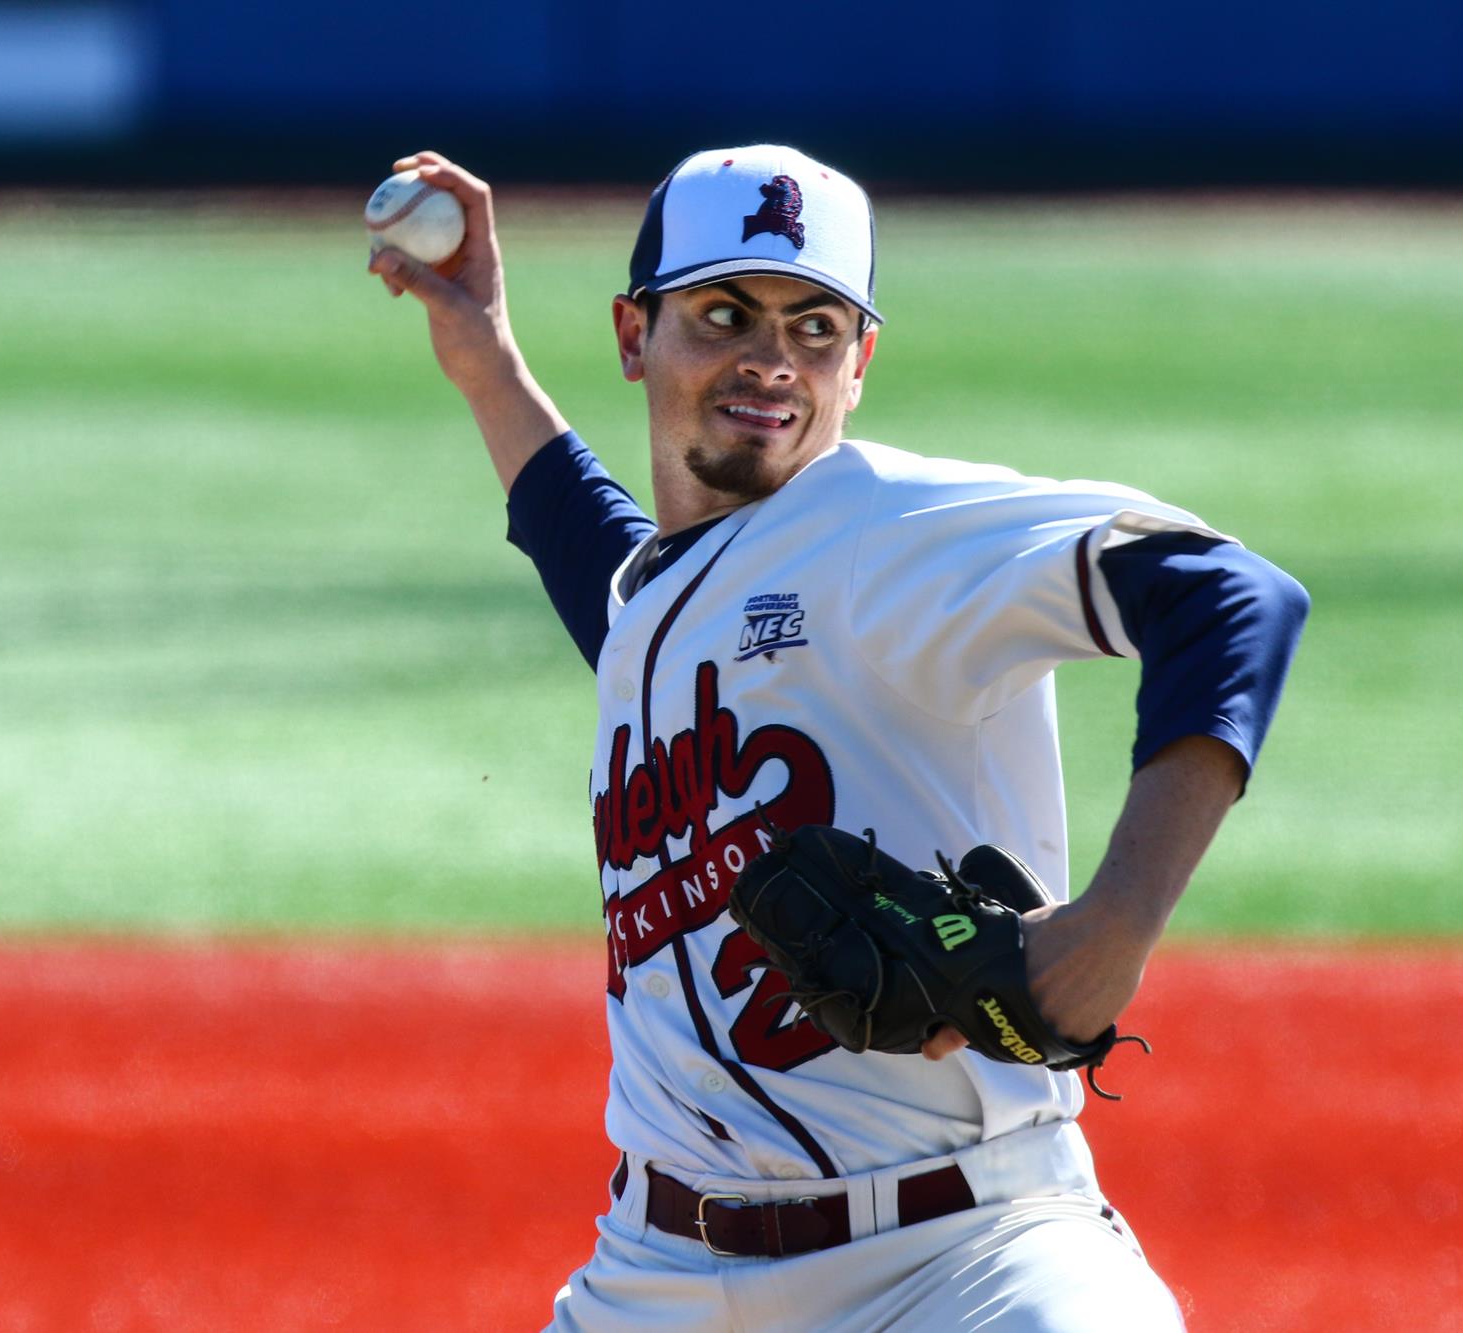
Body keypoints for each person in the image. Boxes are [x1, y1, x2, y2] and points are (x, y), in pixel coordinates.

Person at [369, 144, 1308, 1331]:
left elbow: (1230, 596)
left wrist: (1113, 928)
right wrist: (487, 358)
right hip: (654, 1275)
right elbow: (605, 574)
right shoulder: (659, 599)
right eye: (722, 314)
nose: (769, 360)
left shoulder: (877, 527)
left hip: (965, 1260)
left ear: (859, 363)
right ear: (630, 335)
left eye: (814, 328)